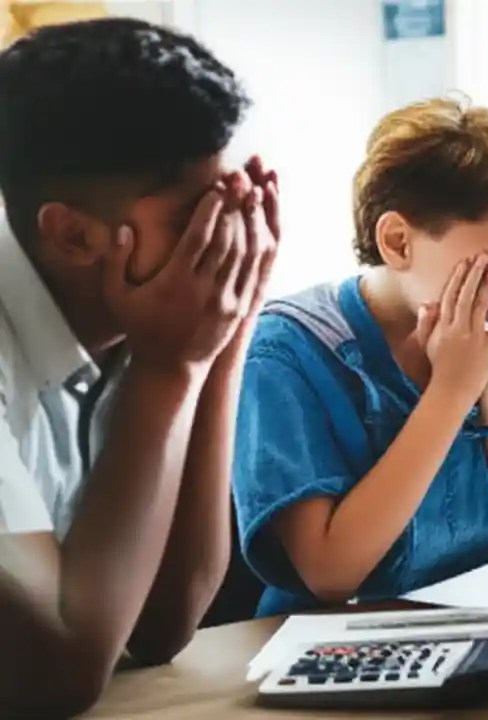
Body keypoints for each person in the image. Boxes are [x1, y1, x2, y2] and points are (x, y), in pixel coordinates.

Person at [0, 18, 279, 717]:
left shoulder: (135, 317)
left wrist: (223, 337)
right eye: (201, 217)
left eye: (235, 201)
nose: (231, 234)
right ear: (73, 235)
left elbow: (163, 621)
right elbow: (56, 672)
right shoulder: (151, 343)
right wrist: (172, 369)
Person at [233, 98, 488, 616]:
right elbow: (330, 574)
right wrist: (452, 391)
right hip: (332, 657)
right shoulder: (287, 351)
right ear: (397, 241)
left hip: (467, 632)